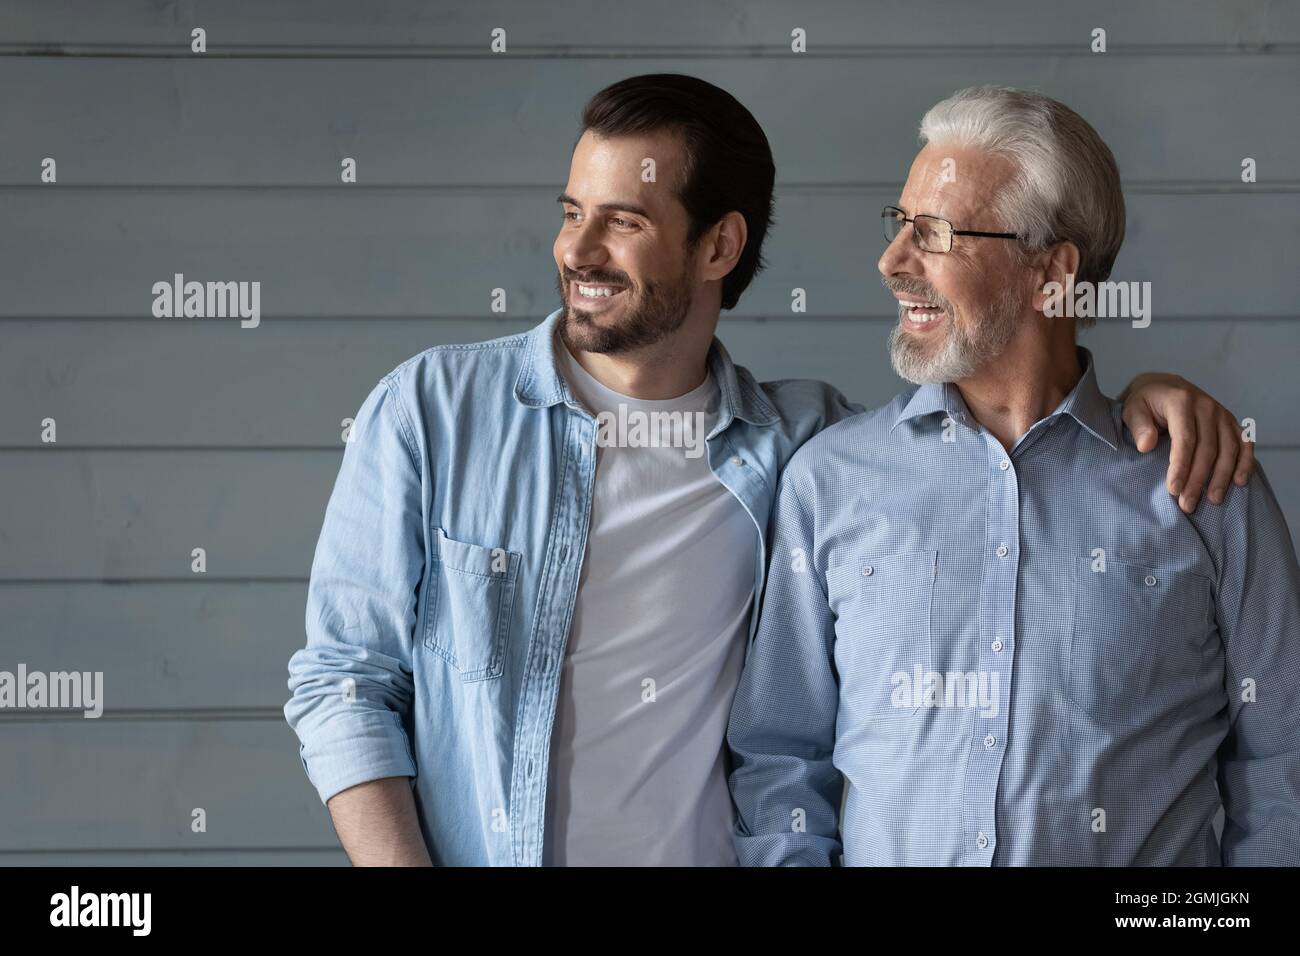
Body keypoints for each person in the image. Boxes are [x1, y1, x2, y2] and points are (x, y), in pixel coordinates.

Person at [285, 75, 1257, 866]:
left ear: (720, 244)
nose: (574, 249)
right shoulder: (433, 409)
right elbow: (342, 682)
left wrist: (1152, 396)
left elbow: (1278, 761)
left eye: (621, 220)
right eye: (571, 211)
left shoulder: (796, 445)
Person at [726, 85, 1297, 866]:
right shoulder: (830, 480)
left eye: (935, 234)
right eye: (901, 226)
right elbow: (780, 757)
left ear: (1052, 272)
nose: (893, 263)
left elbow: (1283, 766)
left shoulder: (1205, 483)